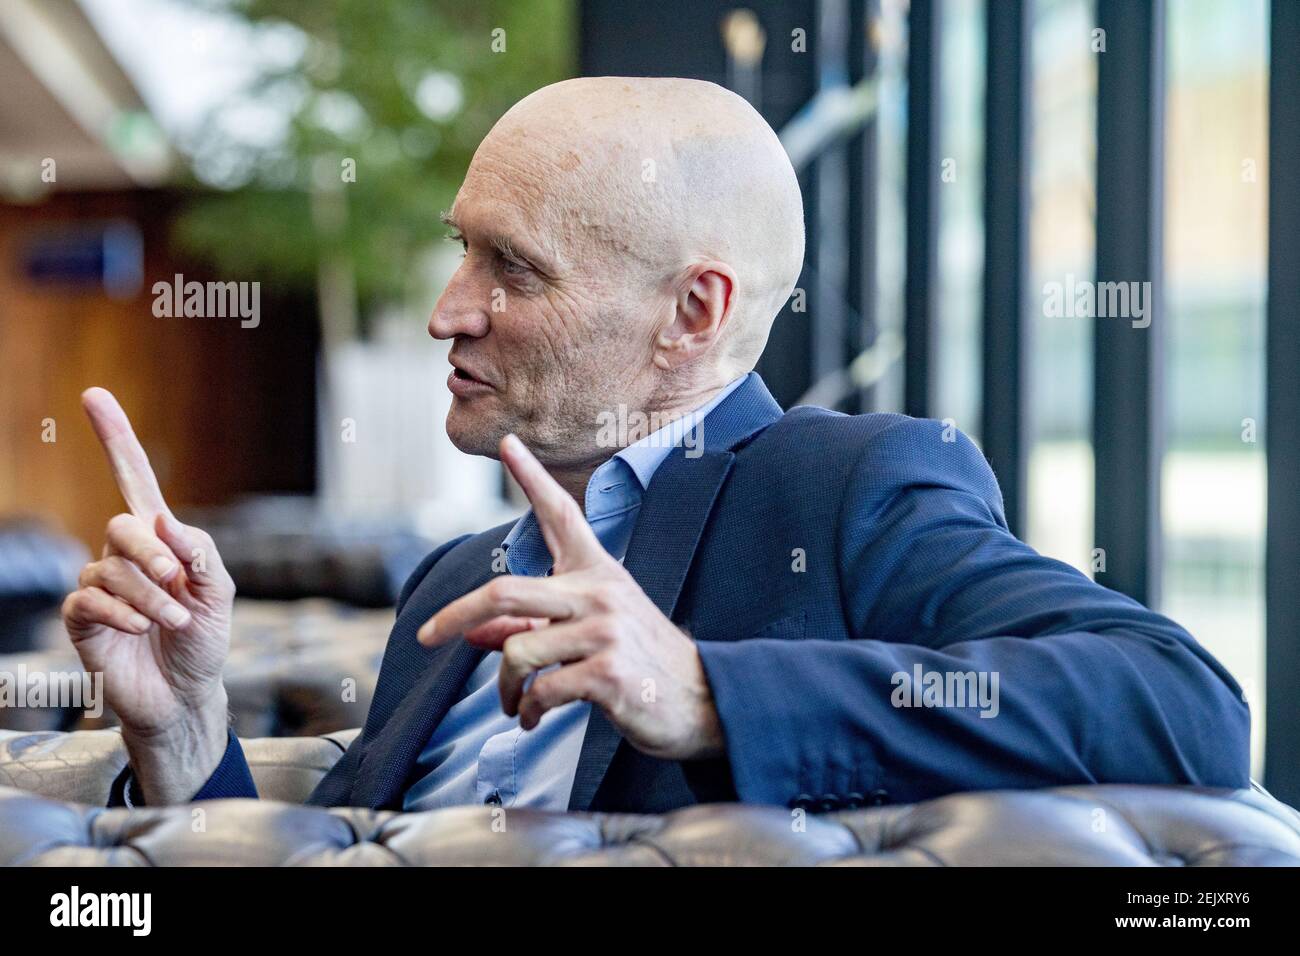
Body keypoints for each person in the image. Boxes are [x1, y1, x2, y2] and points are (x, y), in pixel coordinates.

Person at [63, 77, 1249, 813]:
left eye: (509, 267)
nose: (447, 309)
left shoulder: (842, 490)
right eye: (461, 248)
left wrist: (705, 692)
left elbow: (1180, 704)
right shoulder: (456, 579)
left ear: (694, 312)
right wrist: (183, 728)